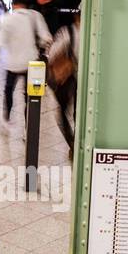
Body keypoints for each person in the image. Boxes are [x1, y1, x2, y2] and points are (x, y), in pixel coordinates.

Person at [0, 0, 52, 132]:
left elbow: (0, 42)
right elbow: (47, 38)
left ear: (13, 4)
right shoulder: (35, 16)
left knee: (9, 90)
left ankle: (6, 119)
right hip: (31, 63)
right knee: (30, 97)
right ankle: (28, 130)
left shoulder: (8, 19)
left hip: (12, 64)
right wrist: (40, 44)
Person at [48, 20, 79, 157]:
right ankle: (81, 142)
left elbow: (53, 52)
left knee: (61, 113)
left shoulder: (68, 32)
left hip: (69, 78)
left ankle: (72, 143)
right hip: (88, 82)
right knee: (80, 114)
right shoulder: (98, 32)